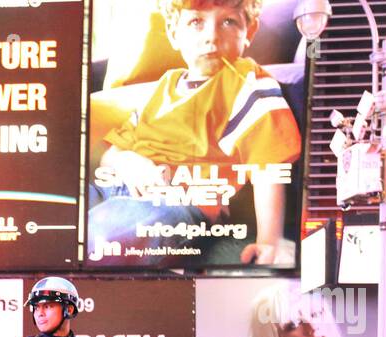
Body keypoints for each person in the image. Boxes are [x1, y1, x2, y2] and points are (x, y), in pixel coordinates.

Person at [88, 0, 301, 267]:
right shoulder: (164, 86)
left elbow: (268, 166)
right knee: (54, 219)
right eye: (196, 22)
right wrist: (130, 163)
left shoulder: (247, 82)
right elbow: (112, 153)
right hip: (115, 185)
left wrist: (270, 240)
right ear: (173, 32)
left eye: (228, 21)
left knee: (102, 238)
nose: (211, 36)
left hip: (174, 202)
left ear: (250, 30)